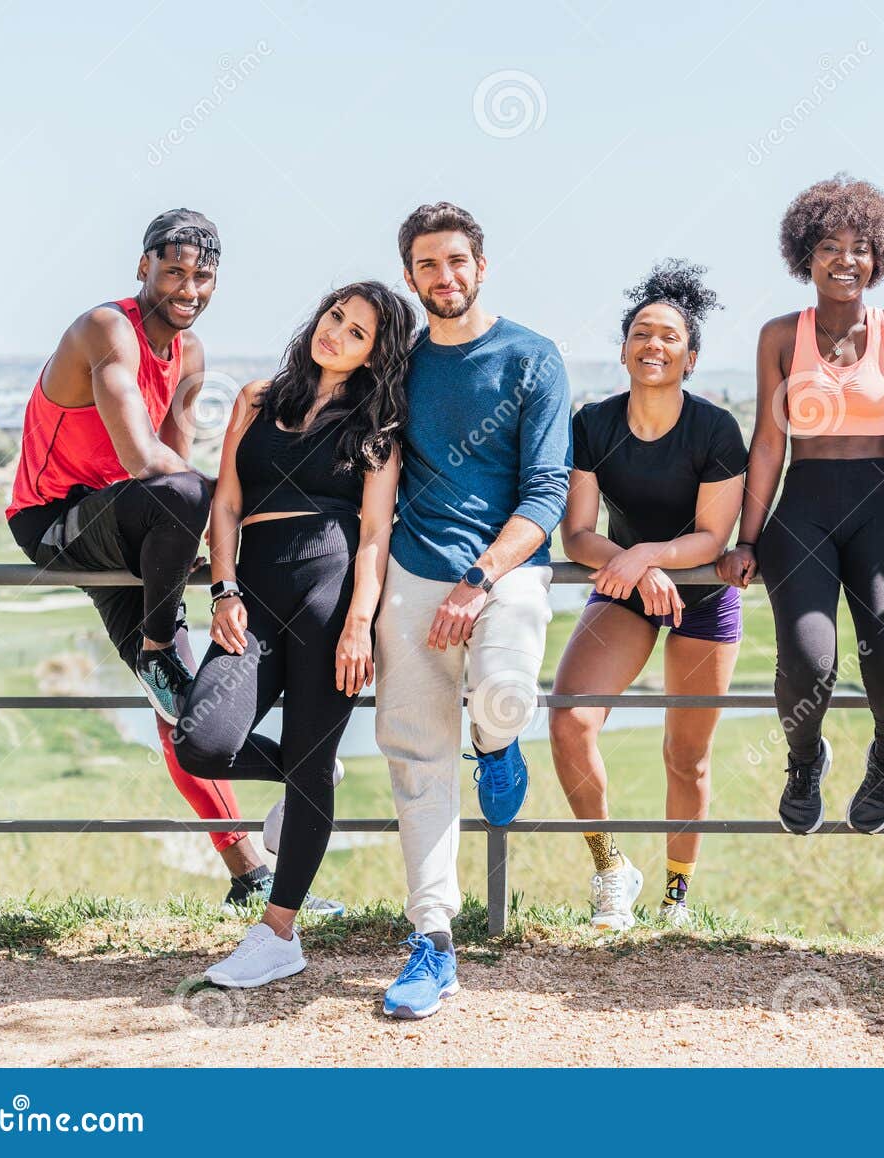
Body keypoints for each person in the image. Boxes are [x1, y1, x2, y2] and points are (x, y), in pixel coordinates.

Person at [3, 209, 273, 908]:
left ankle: (252, 873)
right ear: (143, 266)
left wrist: (197, 534)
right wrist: (213, 511)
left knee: (179, 701)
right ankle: (157, 643)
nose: (188, 287)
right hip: (56, 521)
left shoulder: (192, 354)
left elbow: (174, 462)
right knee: (185, 499)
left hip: (131, 525)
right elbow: (145, 461)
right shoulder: (106, 329)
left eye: (202, 275)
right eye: (174, 270)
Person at [175, 282, 417, 987]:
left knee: (310, 768)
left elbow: (375, 535)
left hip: (329, 590)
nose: (336, 333)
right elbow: (225, 501)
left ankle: (279, 933)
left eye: (358, 332)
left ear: (377, 355)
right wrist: (222, 587)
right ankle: (304, 772)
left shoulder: (375, 426)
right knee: (203, 742)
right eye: (335, 317)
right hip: (251, 594)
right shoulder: (257, 398)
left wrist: (359, 626)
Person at [376, 203, 569, 1019]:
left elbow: (547, 491)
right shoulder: (400, 364)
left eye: (455, 261)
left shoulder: (532, 358)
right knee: (417, 761)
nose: (443, 277)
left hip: (507, 570)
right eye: (425, 265)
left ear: (481, 266)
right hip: (410, 575)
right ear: (411, 276)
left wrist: (480, 577)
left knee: (503, 692)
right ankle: (434, 942)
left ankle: (496, 744)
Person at [718, 174, 884, 836]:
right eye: (828, 246)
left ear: (880, 256)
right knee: (810, 663)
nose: (844, 260)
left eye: (860, 248)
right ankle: (803, 760)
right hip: (804, 509)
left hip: (880, 508)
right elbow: (768, 441)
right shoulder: (779, 336)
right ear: (805, 256)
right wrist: (746, 539)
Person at [551, 260, 748, 931]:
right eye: (641, 332)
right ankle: (612, 871)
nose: (653, 344)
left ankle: (675, 899)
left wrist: (650, 556)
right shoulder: (594, 422)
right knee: (569, 721)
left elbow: (714, 536)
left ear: (690, 358)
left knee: (684, 755)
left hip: (701, 593)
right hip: (626, 588)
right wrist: (635, 568)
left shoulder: (715, 429)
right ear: (625, 348)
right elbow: (576, 534)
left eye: (669, 337)